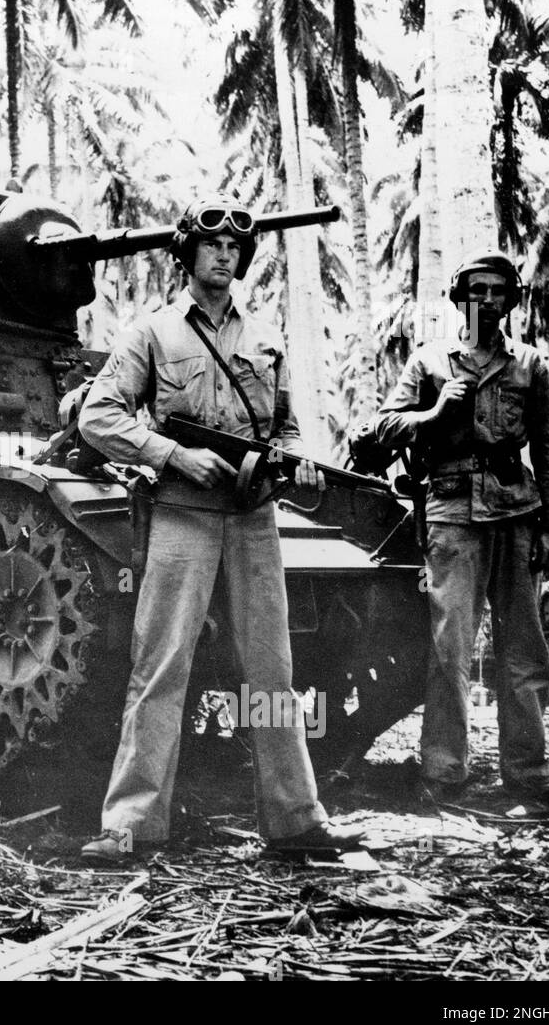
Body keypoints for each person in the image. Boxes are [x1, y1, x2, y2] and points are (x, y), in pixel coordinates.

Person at [76, 198, 364, 862]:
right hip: (183, 516)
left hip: (255, 519)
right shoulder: (153, 334)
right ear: (188, 254)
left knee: (273, 673)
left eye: (236, 245)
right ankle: (131, 824)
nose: (225, 254)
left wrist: (297, 464)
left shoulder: (264, 338)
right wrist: (173, 455)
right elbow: (99, 417)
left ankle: (294, 819)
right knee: (161, 667)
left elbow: (286, 426)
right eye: (212, 245)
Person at [374, 251, 549, 804]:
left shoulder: (531, 366)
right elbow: (383, 427)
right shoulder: (430, 362)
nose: (487, 300)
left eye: (499, 292)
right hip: (452, 516)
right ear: (459, 298)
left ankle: (528, 774)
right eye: (476, 290)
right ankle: (443, 773)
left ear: (510, 301)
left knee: (524, 651)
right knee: (448, 647)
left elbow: (548, 452)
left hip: (516, 516)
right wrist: (433, 415)